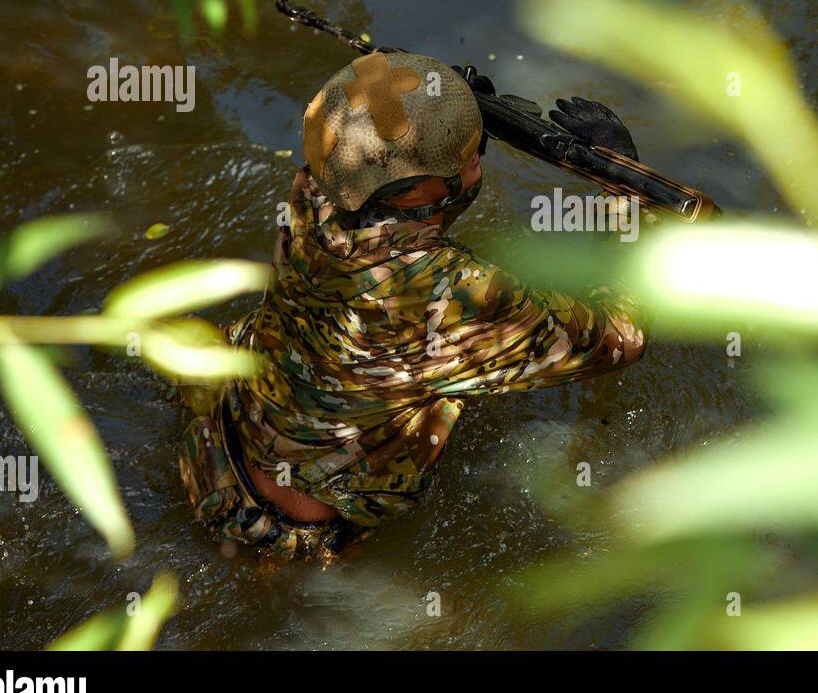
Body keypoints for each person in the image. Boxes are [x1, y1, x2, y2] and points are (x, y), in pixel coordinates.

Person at [179, 51, 648, 560]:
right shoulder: (452, 295)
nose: (474, 158)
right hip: (289, 530)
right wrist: (623, 188)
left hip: (226, 430)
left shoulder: (319, 185)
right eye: (467, 155)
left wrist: (437, 110)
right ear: (424, 187)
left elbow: (388, 157)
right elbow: (622, 336)